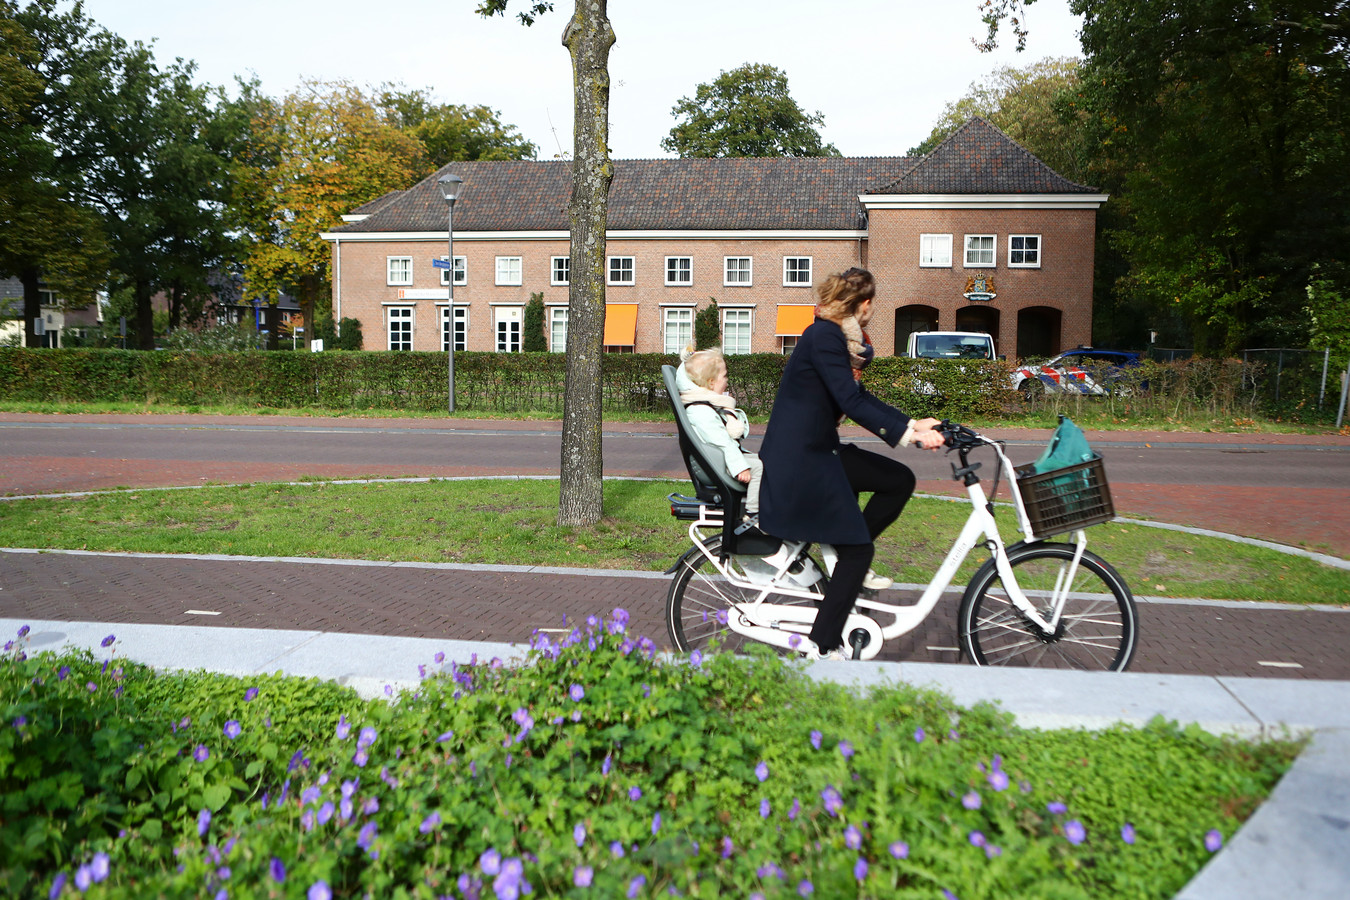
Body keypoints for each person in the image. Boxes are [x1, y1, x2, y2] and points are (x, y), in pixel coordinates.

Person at [758, 267, 945, 660]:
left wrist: (913, 424)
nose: (872, 310)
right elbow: (851, 401)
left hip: (816, 451)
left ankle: (844, 560)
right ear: (863, 305)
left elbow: (856, 395)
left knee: (897, 479)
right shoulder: (825, 336)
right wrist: (910, 435)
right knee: (859, 552)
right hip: (802, 461)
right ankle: (822, 644)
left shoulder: (831, 335)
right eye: (871, 304)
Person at [675, 347, 764, 516]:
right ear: (711, 382)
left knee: (766, 460)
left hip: (722, 460)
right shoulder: (701, 411)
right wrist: (740, 468)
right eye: (724, 376)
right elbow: (721, 441)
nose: (727, 380)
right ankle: (753, 514)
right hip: (722, 464)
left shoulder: (704, 405)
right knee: (759, 467)